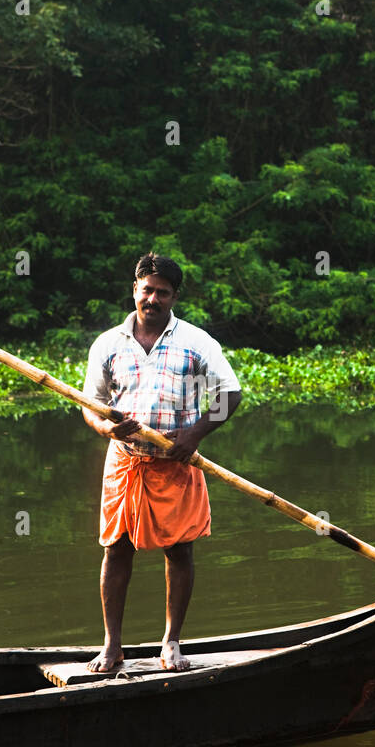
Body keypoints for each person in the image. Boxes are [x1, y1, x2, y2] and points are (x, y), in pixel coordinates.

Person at [80, 253, 242, 673]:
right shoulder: (109, 343)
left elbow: (231, 393)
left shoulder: (196, 342)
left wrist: (194, 435)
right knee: (116, 550)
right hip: (126, 461)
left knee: (179, 549)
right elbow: (91, 405)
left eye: (162, 293)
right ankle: (112, 646)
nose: (152, 299)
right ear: (134, 290)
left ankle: (171, 643)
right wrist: (105, 429)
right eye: (146, 290)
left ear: (174, 297)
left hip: (176, 462)